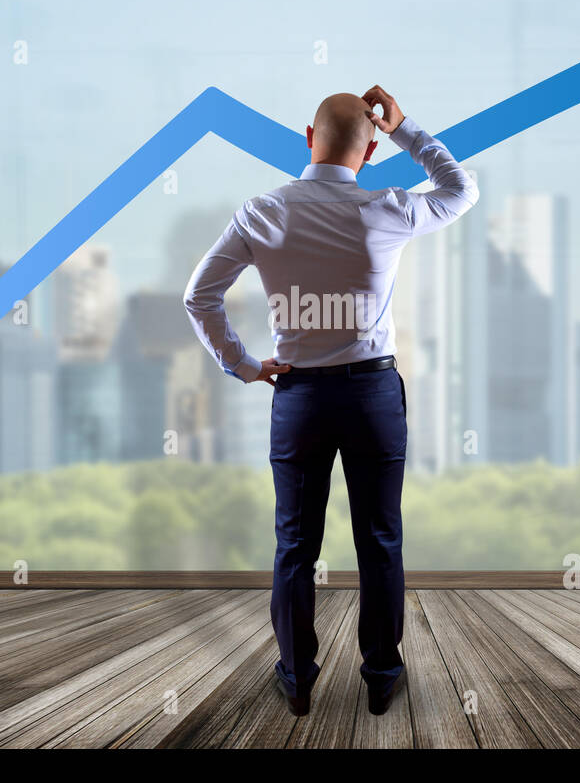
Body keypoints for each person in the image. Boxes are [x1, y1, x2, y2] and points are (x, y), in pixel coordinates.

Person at [183, 85, 478, 716]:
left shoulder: (262, 211)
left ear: (307, 139)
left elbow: (198, 296)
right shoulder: (387, 208)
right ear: (370, 151)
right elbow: (460, 190)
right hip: (373, 394)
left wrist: (241, 365)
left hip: (298, 397)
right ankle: (380, 677)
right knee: (381, 540)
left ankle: (296, 679)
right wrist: (406, 130)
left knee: (295, 545)